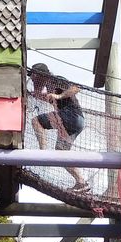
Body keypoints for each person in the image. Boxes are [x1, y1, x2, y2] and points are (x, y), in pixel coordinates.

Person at [29, 63, 88, 192]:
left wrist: (59, 96)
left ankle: (43, 153)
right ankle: (81, 182)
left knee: (36, 121)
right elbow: (51, 98)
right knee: (61, 153)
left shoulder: (56, 80)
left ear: (41, 74)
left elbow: (76, 88)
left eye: (33, 75)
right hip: (75, 123)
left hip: (71, 116)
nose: (32, 78)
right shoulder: (49, 87)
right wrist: (38, 95)